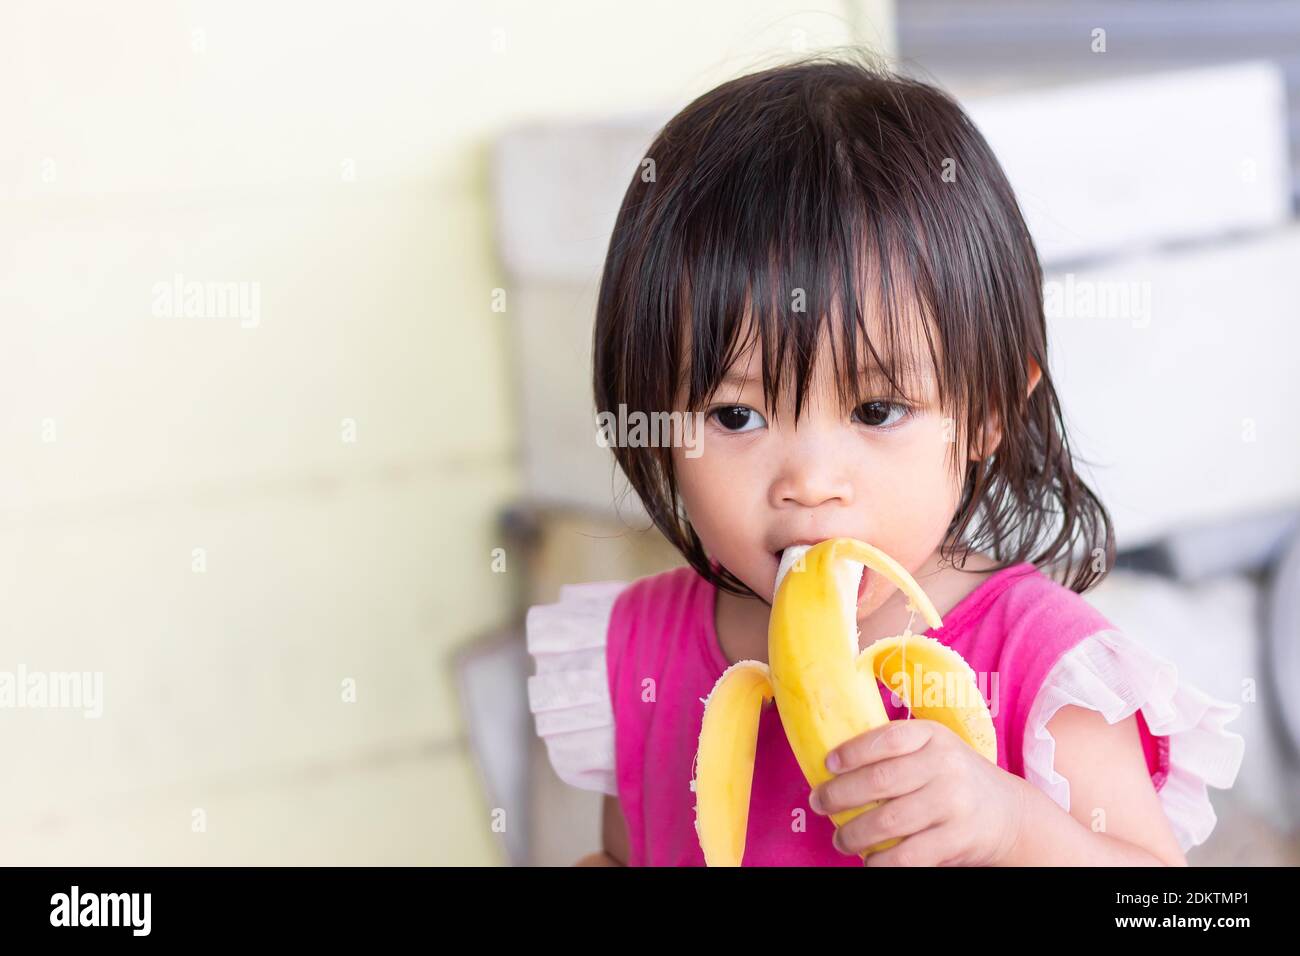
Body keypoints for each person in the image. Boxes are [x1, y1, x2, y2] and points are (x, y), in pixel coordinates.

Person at [527, 52, 1243, 866]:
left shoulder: (1044, 673)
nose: (811, 484)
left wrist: (1013, 828)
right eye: (736, 415)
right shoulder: (641, 656)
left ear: (986, 413)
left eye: (877, 410)